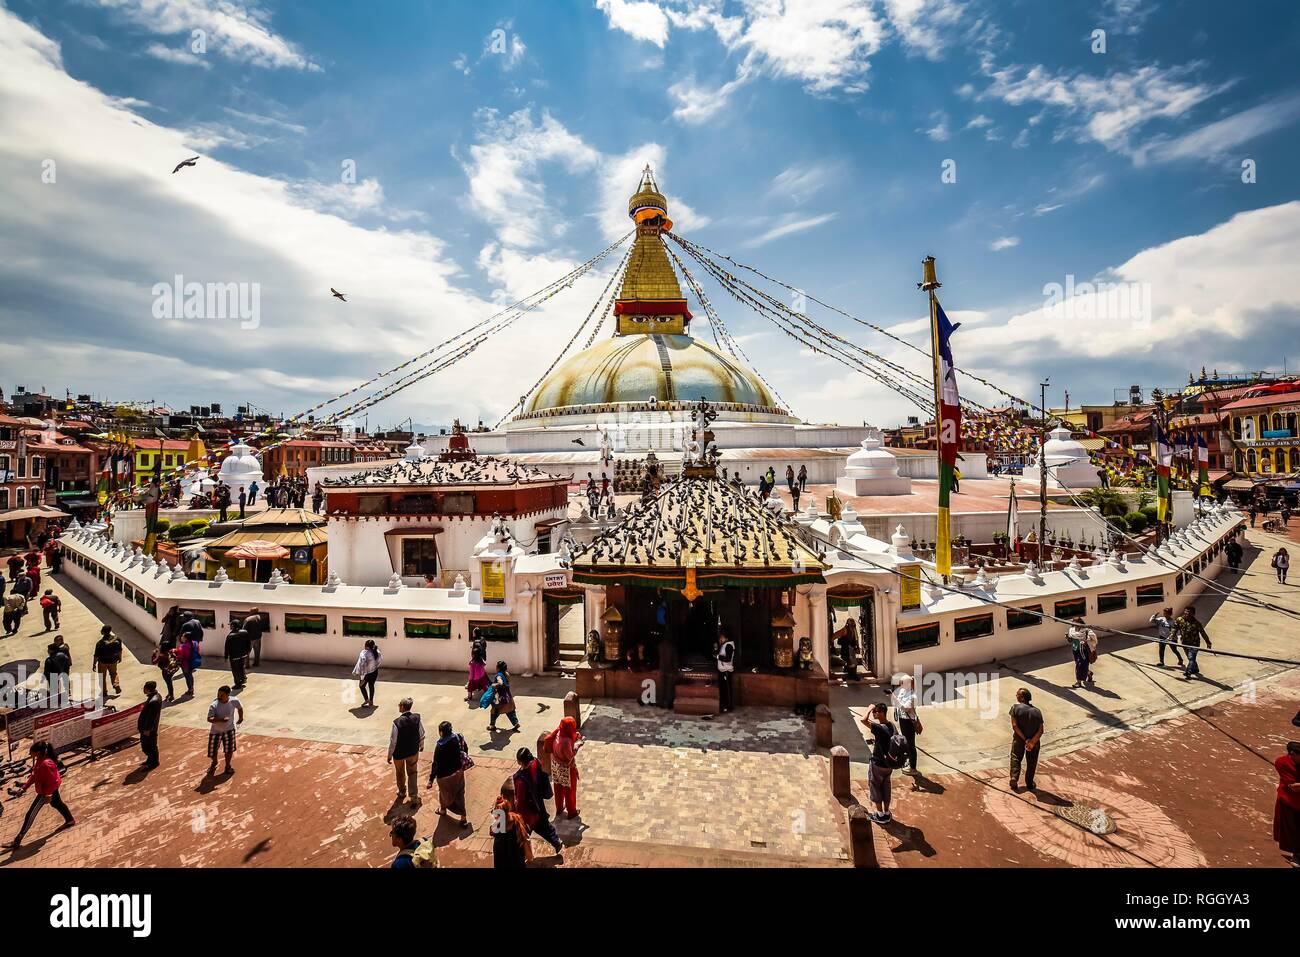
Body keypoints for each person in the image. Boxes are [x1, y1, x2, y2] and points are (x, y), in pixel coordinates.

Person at [2, 741, 74, 849]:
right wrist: (23, 788)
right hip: (47, 790)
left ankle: (17, 840)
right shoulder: (40, 760)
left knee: (30, 814)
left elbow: (52, 780)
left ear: (38, 752)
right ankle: (69, 820)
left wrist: (47, 794)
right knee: (56, 803)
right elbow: (34, 776)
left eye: (32, 753)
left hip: (45, 792)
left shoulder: (46, 763)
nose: (30, 755)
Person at [512, 747, 563, 855]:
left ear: (520, 762)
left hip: (528, 811)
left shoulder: (520, 780)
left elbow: (520, 801)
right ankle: (556, 841)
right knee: (544, 825)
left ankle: (519, 855)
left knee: (523, 833)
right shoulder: (536, 763)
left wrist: (518, 812)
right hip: (538, 801)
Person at [430, 720, 470, 826]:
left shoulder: (440, 746)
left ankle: (443, 810)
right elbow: (465, 748)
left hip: (444, 776)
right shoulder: (458, 737)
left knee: (444, 793)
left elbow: (435, 764)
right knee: (460, 793)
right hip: (458, 771)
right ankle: (463, 817)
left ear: (441, 732)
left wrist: (431, 779)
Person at [863, 702, 899, 823]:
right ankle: (887, 812)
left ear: (881, 713)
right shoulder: (892, 726)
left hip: (878, 763)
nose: (874, 714)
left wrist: (869, 708)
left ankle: (879, 814)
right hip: (889, 764)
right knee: (886, 787)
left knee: (876, 786)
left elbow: (863, 720)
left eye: (875, 712)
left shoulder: (878, 728)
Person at [387, 697, 425, 807]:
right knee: (412, 772)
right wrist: (421, 745)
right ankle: (413, 796)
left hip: (399, 753)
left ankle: (402, 791)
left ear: (402, 707)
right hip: (413, 750)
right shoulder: (417, 718)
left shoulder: (396, 723)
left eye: (399, 705)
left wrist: (389, 755)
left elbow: (393, 741)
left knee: (400, 772)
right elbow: (422, 733)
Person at [545, 715, 584, 818]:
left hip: (555, 764)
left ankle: (559, 808)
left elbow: (568, 735)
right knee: (569, 789)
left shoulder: (558, 732)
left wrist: (576, 736)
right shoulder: (566, 742)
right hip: (566, 768)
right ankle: (571, 811)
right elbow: (570, 755)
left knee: (558, 786)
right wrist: (578, 745)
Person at [1009, 688, 1044, 791]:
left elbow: (1014, 726)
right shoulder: (1037, 712)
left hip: (1019, 739)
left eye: (1018, 695)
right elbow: (1041, 730)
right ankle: (1029, 783)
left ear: (1022, 698)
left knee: (1015, 757)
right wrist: (1032, 742)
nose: (1016, 696)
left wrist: (1025, 740)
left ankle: (1014, 778)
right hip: (1034, 742)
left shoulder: (1015, 708)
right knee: (1032, 762)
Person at [206, 685, 243, 775]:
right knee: (213, 750)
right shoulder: (214, 705)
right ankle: (214, 762)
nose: (219, 697)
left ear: (228, 695)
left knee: (229, 749)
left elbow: (240, 708)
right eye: (218, 694)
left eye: (222, 695)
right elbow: (209, 719)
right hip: (215, 731)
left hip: (229, 730)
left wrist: (241, 718)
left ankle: (227, 766)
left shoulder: (234, 701)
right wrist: (221, 720)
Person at [1273, 741, 1300, 867]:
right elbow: (1294, 787)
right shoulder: (1282, 762)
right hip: (1290, 801)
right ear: (1292, 754)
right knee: (1293, 830)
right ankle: (1297, 855)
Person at [492, 786, 532, 868]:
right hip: (517, 858)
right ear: (508, 807)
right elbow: (526, 834)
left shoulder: (497, 826)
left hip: (503, 861)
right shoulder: (516, 818)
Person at [892, 674, 921, 776]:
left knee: (910, 744)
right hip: (903, 720)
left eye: (902, 683)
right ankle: (908, 761)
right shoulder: (903, 691)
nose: (900, 684)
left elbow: (906, 708)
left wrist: (895, 699)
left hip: (908, 722)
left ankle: (913, 767)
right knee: (906, 742)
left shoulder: (913, 696)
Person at [1176, 605, 1212, 679]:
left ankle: (1188, 672)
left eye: (1189, 612)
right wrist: (1171, 635)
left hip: (1194, 643)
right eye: (1186, 612)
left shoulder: (1196, 624)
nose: (1187, 614)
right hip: (1184, 642)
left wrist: (1208, 642)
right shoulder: (1179, 619)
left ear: (1193, 614)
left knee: (1191, 657)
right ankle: (1195, 669)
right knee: (1190, 658)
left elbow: (1203, 633)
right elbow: (1175, 627)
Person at [488, 661, 519, 732]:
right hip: (508, 696)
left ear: (498, 668)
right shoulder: (506, 674)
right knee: (510, 711)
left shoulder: (498, 675)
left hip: (500, 698)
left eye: (496, 666)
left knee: (494, 711)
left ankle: (492, 725)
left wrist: (494, 685)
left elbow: (500, 682)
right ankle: (516, 723)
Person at [94, 624, 123, 698]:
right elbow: (120, 650)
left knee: (102, 677)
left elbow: (96, 655)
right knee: (114, 674)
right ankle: (116, 684)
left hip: (102, 662)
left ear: (102, 632)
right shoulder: (117, 640)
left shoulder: (100, 643)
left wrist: (94, 664)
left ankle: (104, 692)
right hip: (113, 661)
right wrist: (120, 658)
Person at [138, 680, 162, 768]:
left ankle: (154, 762)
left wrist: (147, 729)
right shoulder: (155, 697)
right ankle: (150, 759)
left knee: (149, 746)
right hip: (147, 727)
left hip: (149, 729)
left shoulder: (154, 701)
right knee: (148, 745)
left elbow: (151, 717)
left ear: (147, 689)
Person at [1065, 618, 1095, 688]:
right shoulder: (1072, 630)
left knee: (1079, 665)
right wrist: (1067, 637)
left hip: (1083, 651)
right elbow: (1070, 640)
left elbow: (1093, 639)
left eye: (1077, 623)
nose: (1075, 625)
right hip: (1075, 650)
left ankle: (1078, 682)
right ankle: (1088, 673)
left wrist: (1086, 642)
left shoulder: (1086, 630)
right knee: (1079, 665)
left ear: (1080, 622)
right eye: (1074, 623)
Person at [223, 618, 251, 689]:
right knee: (241, 667)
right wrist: (247, 652)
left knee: (235, 670)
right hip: (243, 655)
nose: (230, 626)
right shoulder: (245, 632)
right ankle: (243, 679)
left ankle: (238, 684)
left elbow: (227, 647)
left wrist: (226, 657)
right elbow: (249, 643)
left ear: (233, 626)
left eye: (231, 625)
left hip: (234, 657)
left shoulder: (230, 636)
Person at [352, 639, 381, 707]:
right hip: (375, 672)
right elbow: (380, 660)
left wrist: (362, 677)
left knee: (361, 686)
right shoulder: (377, 651)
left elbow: (362, 666)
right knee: (371, 686)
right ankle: (371, 701)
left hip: (366, 674)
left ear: (367, 646)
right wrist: (375, 667)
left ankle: (366, 700)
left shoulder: (364, 653)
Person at [175, 628, 201, 696]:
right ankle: (191, 688)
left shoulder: (182, 647)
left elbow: (180, 657)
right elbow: (198, 650)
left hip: (185, 664)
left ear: (186, 638)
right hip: (193, 662)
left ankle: (190, 689)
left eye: (183, 636)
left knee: (187, 676)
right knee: (190, 675)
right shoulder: (195, 643)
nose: (181, 637)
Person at [833, 618, 860, 684]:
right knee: (850, 662)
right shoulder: (845, 629)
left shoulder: (853, 629)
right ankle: (851, 675)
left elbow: (855, 639)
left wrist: (856, 646)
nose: (852, 623)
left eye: (852, 622)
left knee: (852, 662)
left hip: (851, 649)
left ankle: (851, 675)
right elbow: (838, 636)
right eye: (851, 622)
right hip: (846, 649)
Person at [716, 628, 736, 713]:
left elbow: (727, 658)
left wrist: (718, 657)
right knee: (724, 689)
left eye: (722, 638)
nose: (721, 639)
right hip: (723, 670)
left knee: (727, 690)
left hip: (726, 671)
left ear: (726, 638)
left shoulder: (729, 645)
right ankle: (725, 706)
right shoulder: (724, 645)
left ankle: (728, 707)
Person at [465, 630, 488, 703]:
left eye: (473, 632)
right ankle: (488, 694)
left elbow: (471, 673)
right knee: (484, 683)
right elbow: (484, 648)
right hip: (481, 662)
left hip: (474, 677)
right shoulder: (483, 639)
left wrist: (470, 680)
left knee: (470, 687)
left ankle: (469, 696)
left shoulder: (472, 663)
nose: (473, 633)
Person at [657, 631, 678, 710]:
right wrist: (675, 670)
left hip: (662, 669)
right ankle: (669, 704)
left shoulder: (660, 646)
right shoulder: (673, 647)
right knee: (669, 688)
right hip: (670, 670)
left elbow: (660, 657)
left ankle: (661, 703)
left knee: (662, 687)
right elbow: (675, 660)